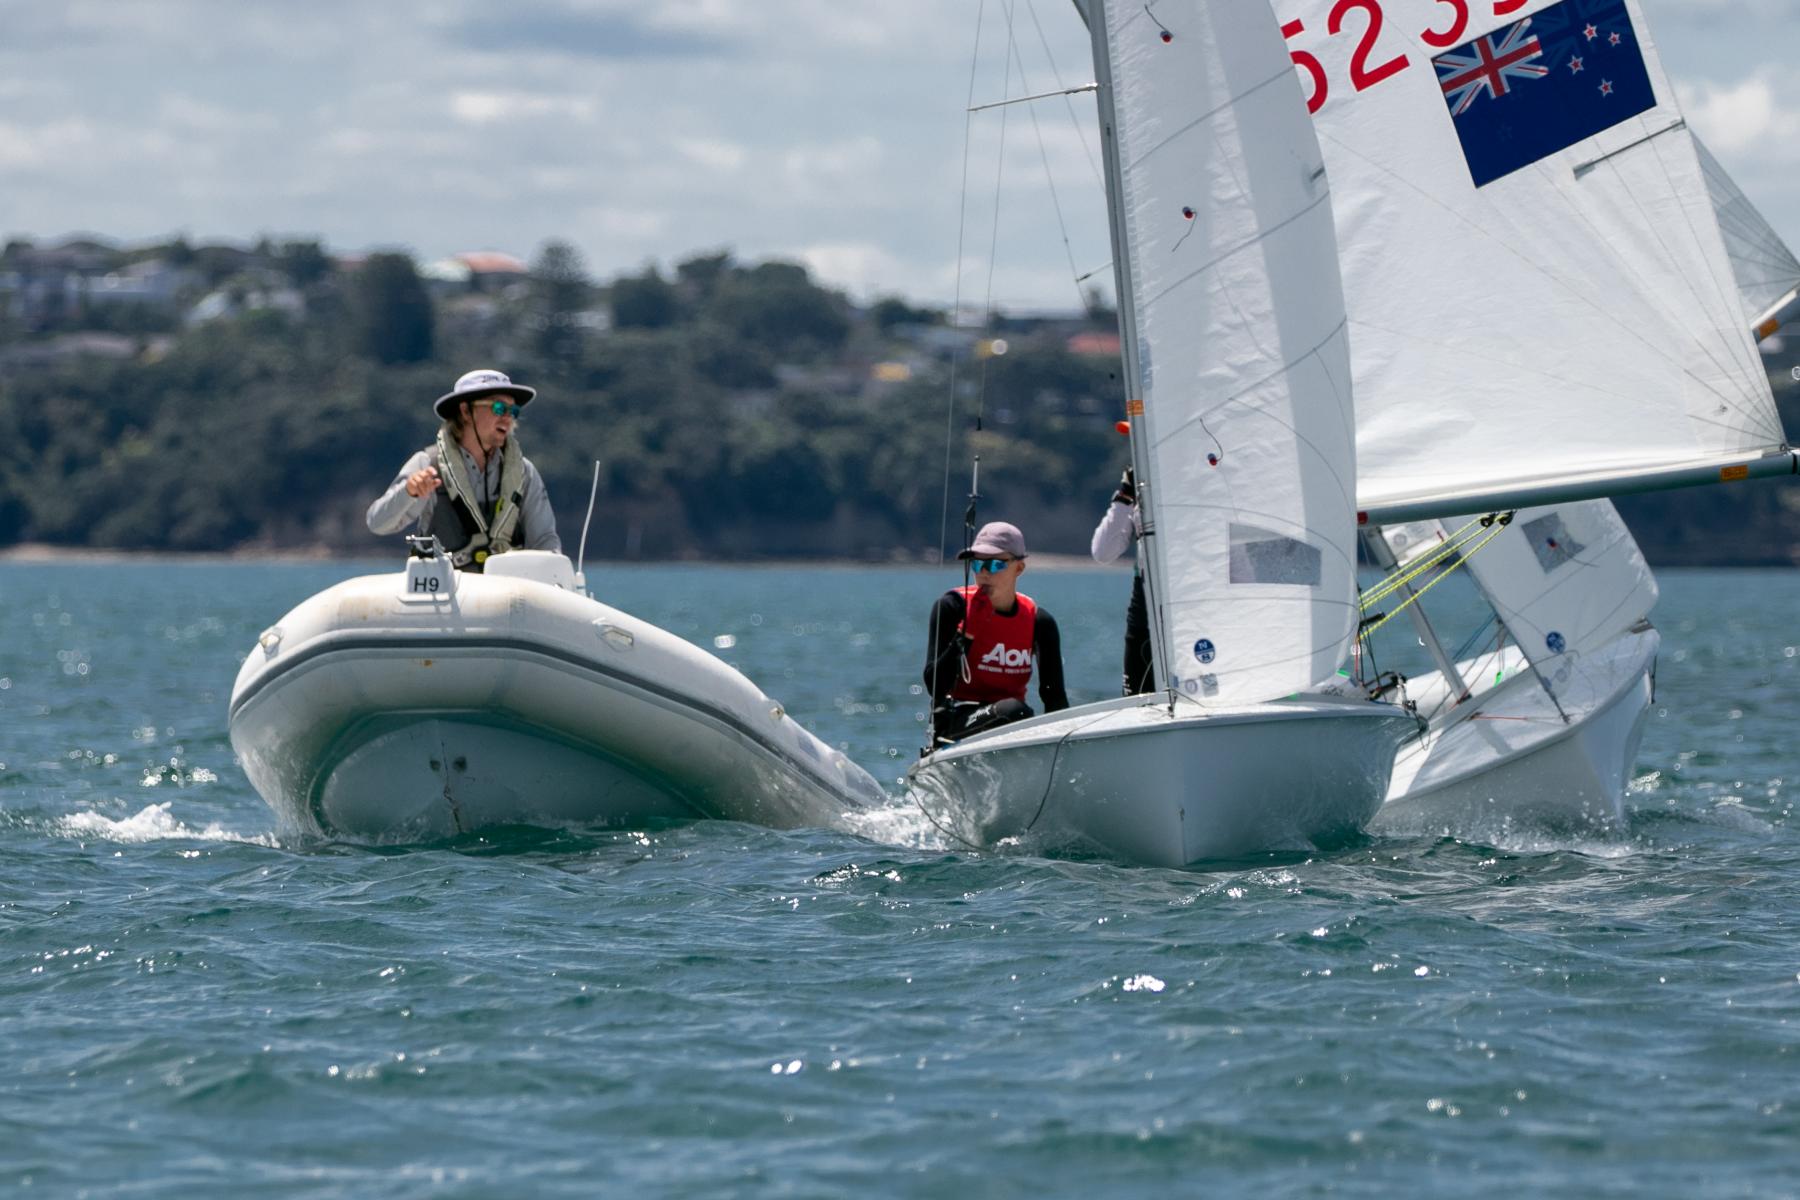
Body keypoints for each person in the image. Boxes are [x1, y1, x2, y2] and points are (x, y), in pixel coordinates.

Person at [367, 368, 561, 569]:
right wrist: (409, 492)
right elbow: (377, 523)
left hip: (506, 592)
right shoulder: (428, 465)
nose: (508, 418)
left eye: (513, 411)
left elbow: (545, 540)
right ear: (466, 411)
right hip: (442, 593)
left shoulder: (524, 472)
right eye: (499, 408)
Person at [923, 521, 1069, 745]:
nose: (983, 574)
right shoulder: (952, 608)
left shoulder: (1039, 622)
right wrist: (966, 634)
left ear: (1018, 568)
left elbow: (1055, 699)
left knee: (1017, 713)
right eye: (977, 564)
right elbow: (935, 686)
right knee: (1014, 711)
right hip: (956, 721)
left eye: (994, 565)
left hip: (1011, 721)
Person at [1091, 466, 1152, 695]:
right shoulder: (1141, 488)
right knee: (1138, 700)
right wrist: (1126, 494)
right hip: (1144, 611)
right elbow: (1103, 552)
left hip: (1194, 605)